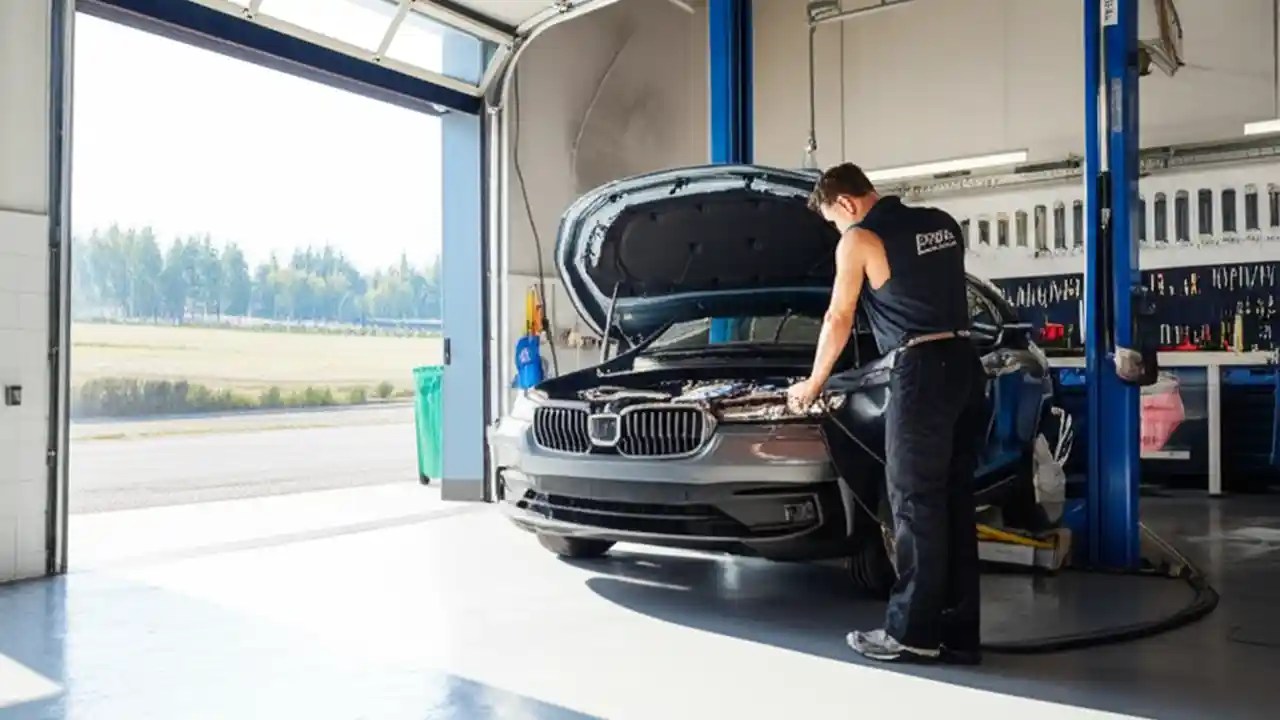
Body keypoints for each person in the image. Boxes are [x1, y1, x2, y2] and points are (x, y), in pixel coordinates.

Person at [787, 163, 985, 665]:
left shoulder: (858, 238)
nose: (838, 229)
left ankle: (912, 632)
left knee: (915, 503)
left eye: (834, 219)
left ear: (846, 204)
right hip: (966, 365)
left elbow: (838, 317)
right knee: (955, 502)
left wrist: (813, 384)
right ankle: (957, 630)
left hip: (920, 372)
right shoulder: (941, 222)